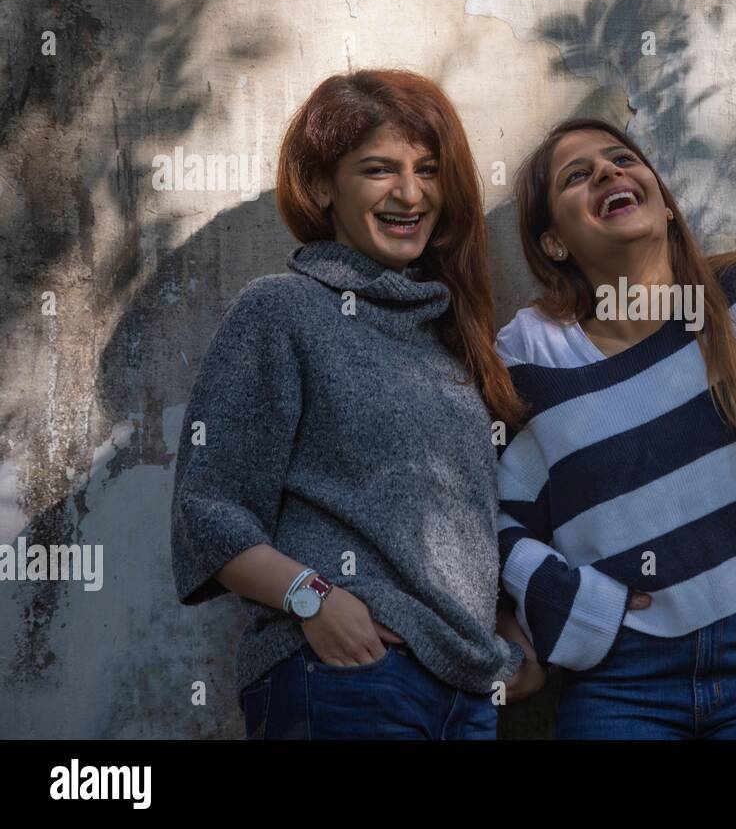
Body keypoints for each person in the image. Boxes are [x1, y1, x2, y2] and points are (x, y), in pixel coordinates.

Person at [170, 69, 536, 739]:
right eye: (378, 169)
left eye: (428, 169)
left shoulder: (450, 337)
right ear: (319, 187)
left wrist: (503, 633)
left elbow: (459, 524)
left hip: (465, 697)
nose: (410, 193)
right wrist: (316, 599)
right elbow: (209, 508)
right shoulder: (281, 309)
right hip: (347, 680)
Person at [494, 118, 736, 739]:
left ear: (665, 203)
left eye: (622, 159)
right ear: (553, 244)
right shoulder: (531, 360)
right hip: (622, 678)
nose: (608, 173)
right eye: (578, 176)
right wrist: (577, 612)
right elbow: (490, 516)